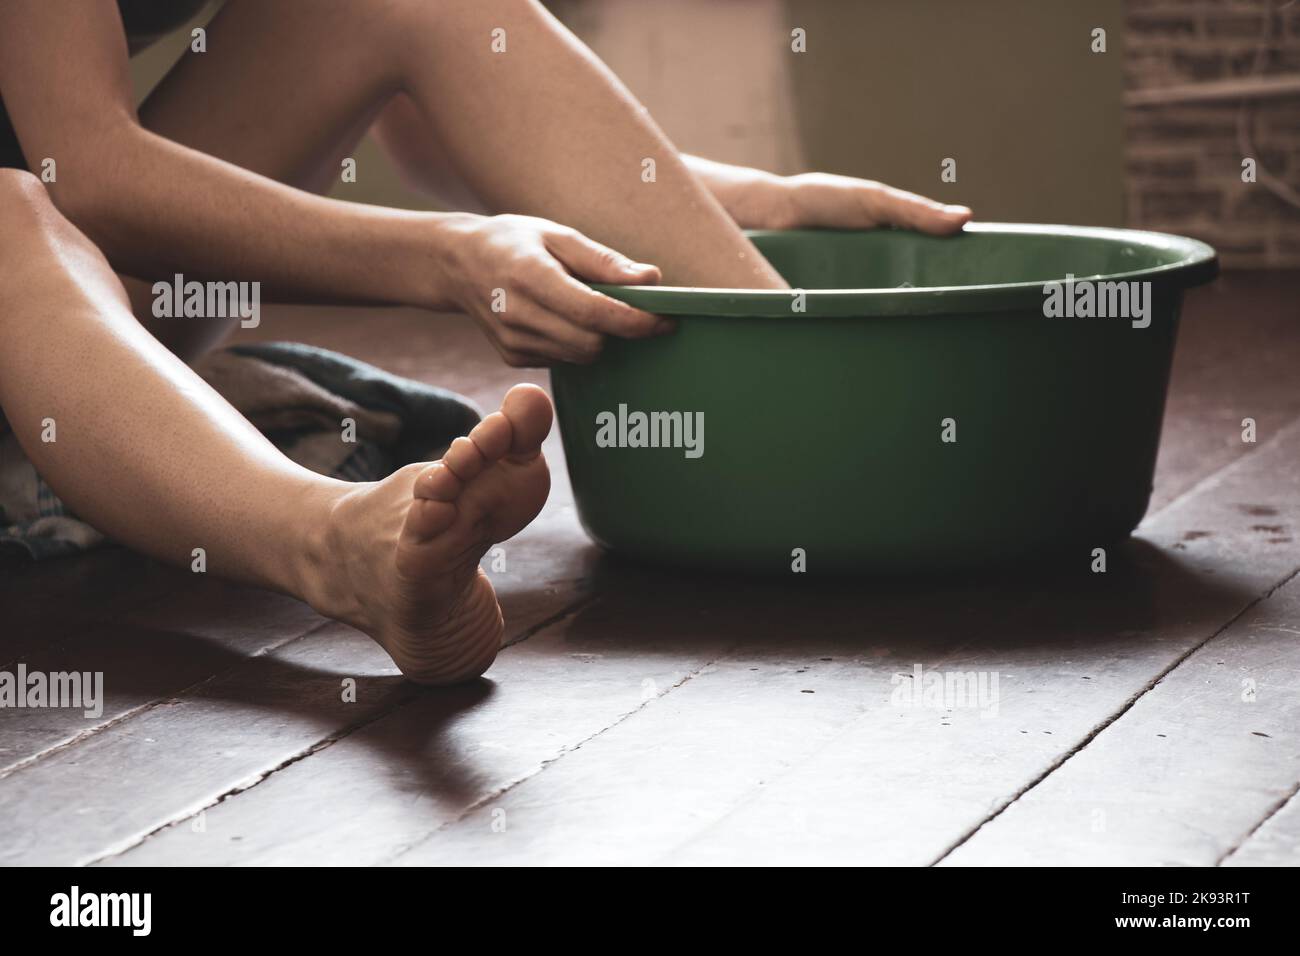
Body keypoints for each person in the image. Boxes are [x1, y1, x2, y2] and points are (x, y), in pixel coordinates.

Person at [0, 0, 971, 684]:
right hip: (27, 254)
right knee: (10, 206)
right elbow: (83, 169)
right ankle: (333, 545)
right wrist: (444, 261)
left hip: (67, 279)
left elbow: (426, 95)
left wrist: (745, 204)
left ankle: (811, 418)